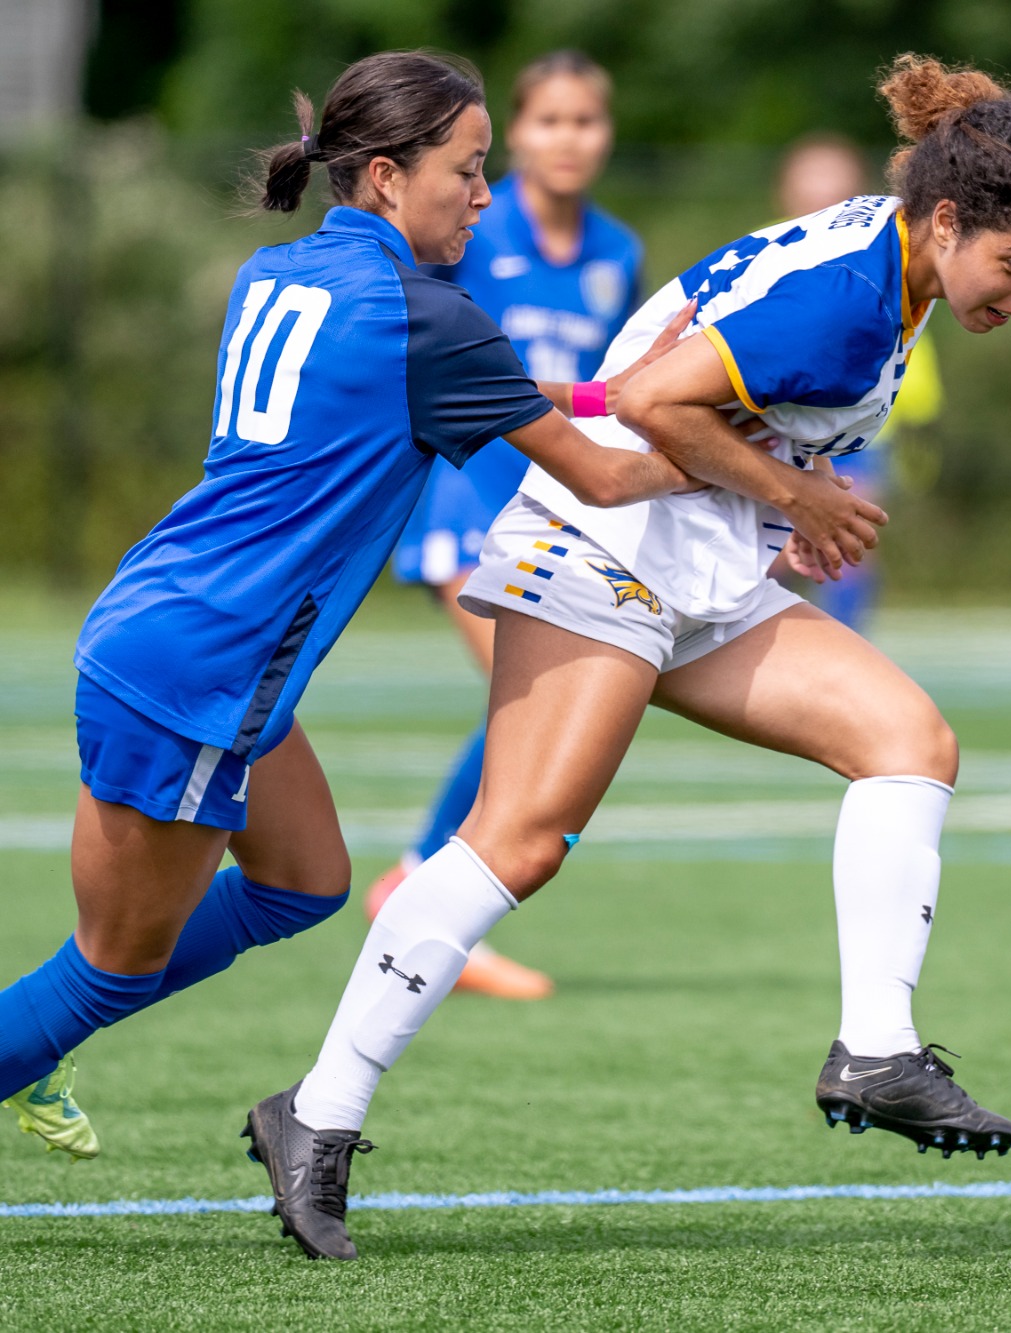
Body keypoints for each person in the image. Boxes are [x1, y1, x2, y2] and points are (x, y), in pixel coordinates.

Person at [250, 53, 1011, 1261]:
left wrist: (769, 507)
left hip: (698, 558)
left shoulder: (894, 270)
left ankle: (875, 1049)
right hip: (604, 542)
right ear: (949, 219)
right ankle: (315, 1114)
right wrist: (793, 498)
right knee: (518, 842)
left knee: (908, 741)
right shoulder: (852, 292)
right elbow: (652, 401)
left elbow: (705, 404)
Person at [0, 50, 695, 1163]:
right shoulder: (429, 315)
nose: (485, 192)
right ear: (382, 176)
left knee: (307, 882)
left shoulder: (280, 273)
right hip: (206, 669)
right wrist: (764, 466)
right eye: (468, 171)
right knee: (111, 966)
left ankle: (46, 1024)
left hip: (176, 625)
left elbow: (491, 380)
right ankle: (34, 1038)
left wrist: (628, 393)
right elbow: (604, 474)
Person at [368, 51, 645, 1001]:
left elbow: (612, 393)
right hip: (466, 497)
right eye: (550, 121)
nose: (569, 138)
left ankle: (426, 886)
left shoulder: (617, 252)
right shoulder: (476, 220)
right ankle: (420, 885)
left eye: (587, 121)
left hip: (559, 506)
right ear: (515, 133)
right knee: (525, 704)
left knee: (535, 712)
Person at [771, 133, 944, 632]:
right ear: (787, 193)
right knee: (773, 550)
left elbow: (913, 360)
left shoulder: (888, 265)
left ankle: (848, 648)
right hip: (776, 435)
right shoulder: (767, 256)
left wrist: (915, 444)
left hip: (861, 443)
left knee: (847, 547)